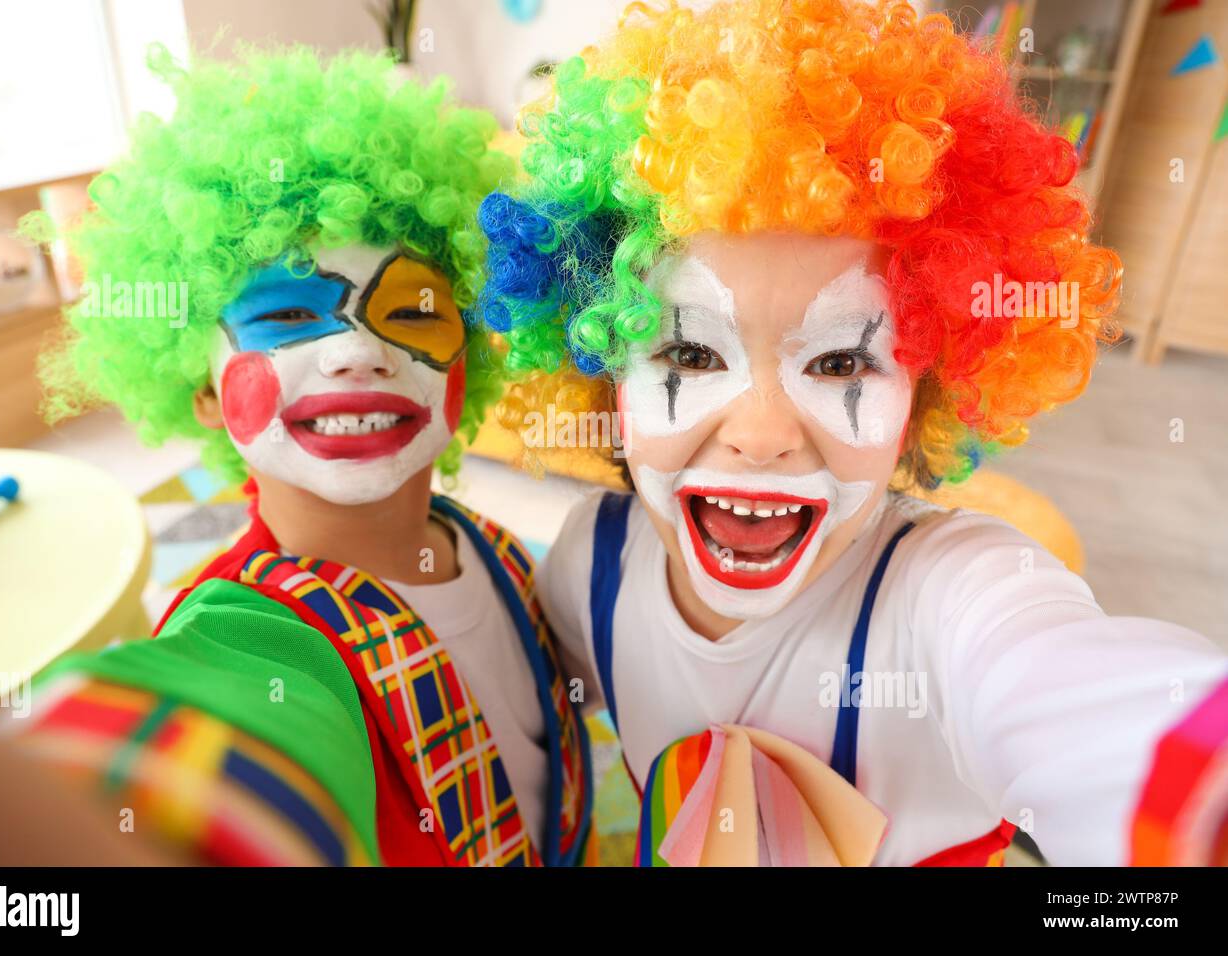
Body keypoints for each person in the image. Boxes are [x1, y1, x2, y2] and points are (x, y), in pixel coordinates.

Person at [477, 0, 1227, 866]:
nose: (760, 434)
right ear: (604, 373)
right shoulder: (590, 566)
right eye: (687, 350)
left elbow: (1103, 720)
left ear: (925, 388)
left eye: (839, 364)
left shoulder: (949, 596)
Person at [4, 46, 592, 867]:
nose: (358, 353)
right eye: (285, 316)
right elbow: (183, 751)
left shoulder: (497, 552)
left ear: (469, 363)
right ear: (202, 390)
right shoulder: (250, 635)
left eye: (413, 312)